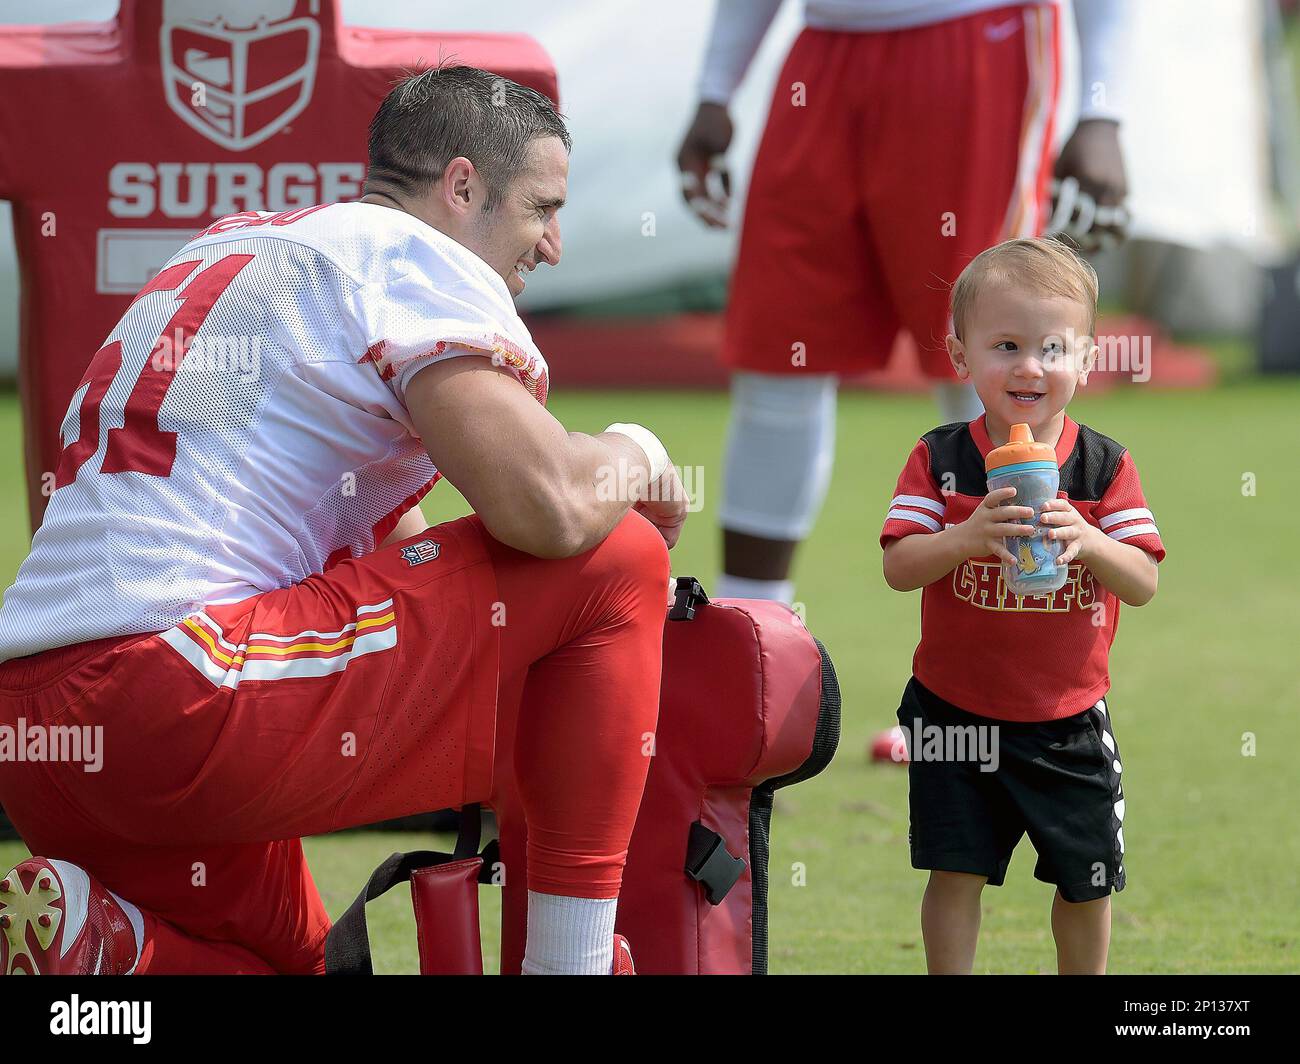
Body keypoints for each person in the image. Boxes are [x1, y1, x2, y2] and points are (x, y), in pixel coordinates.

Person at [0, 65, 687, 976]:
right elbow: (548, 511)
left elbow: (415, 574)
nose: (554, 245)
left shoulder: (238, 243)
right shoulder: (408, 255)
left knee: (305, 966)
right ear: (462, 186)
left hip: (39, 733)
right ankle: (573, 966)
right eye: (540, 208)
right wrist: (635, 451)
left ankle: (107, 951)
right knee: (618, 556)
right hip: (182, 689)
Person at [677, 0, 1132, 604]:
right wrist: (715, 88)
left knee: (992, 351)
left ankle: (1021, 608)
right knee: (780, 353)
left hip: (975, 44)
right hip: (822, 54)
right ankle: (751, 625)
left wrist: (1103, 110)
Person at [879, 237, 1164, 974]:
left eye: (1052, 347)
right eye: (1005, 345)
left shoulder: (1104, 466)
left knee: (1086, 879)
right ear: (960, 355)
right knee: (955, 870)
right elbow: (900, 566)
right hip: (953, 709)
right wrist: (966, 535)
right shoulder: (941, 458)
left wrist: (1093, 541)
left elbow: (1143, 580)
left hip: (1065, 721)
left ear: (1087, 359)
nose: (1030, 366)